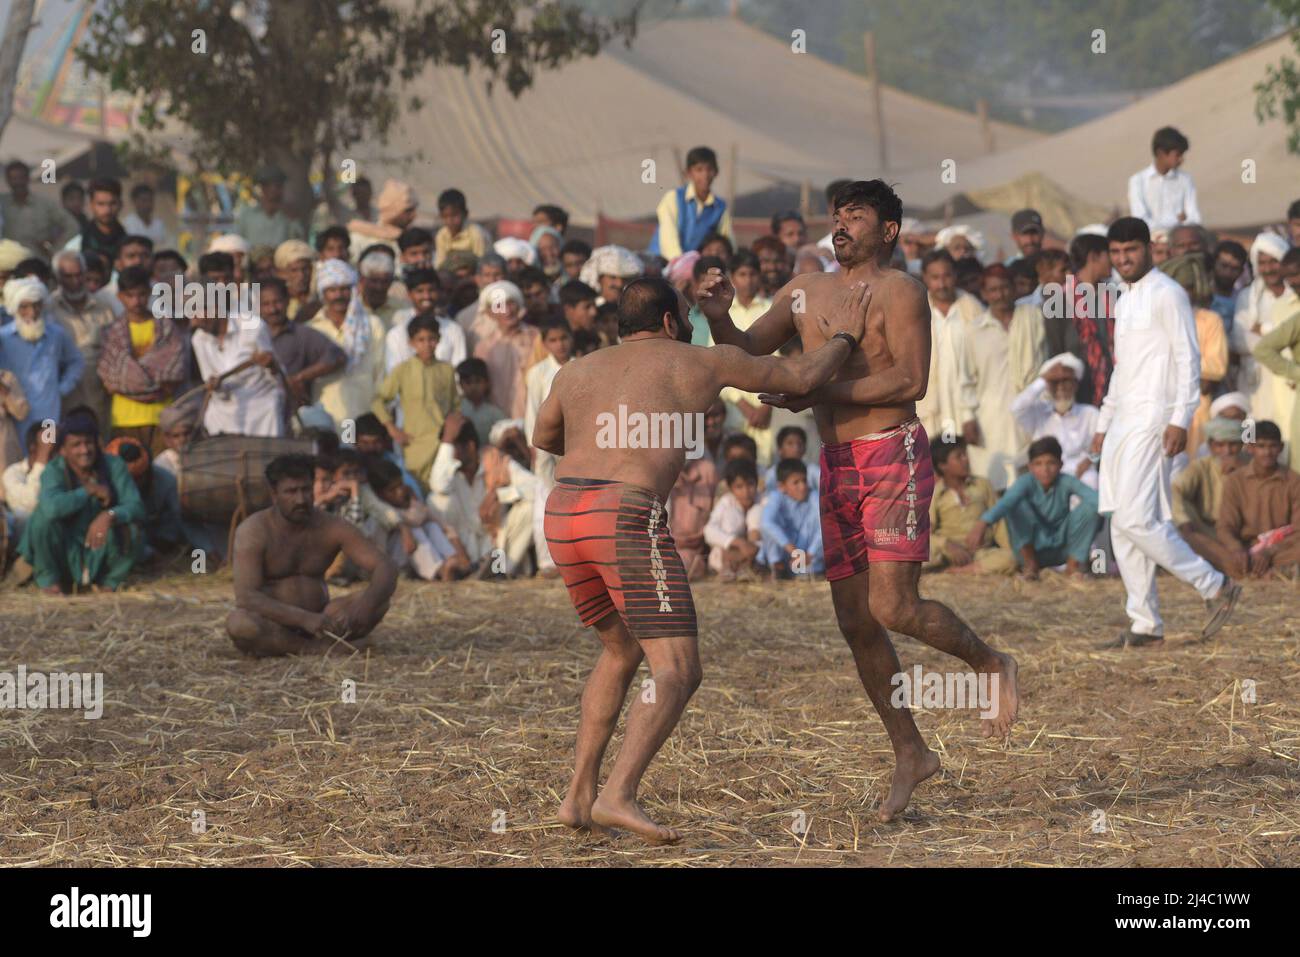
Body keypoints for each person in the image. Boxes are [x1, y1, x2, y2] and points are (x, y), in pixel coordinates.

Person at [705, 179, 1020, 822]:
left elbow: (911, 379)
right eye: (837, 214)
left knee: (892, 604)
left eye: (857, 215)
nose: (842, 224)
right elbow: (744, 349)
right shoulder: (804, 287)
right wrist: (714, 312)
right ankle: (911, 751)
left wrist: (812, 390)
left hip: (891, 452)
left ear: (890, 231)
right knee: (855, 620)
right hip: (835, 463)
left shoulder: (903, 290)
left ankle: (990, 661)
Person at [533, 272, 866, 843]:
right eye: (686, 319)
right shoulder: (698, 362)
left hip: (564, 513)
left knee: (620, 650)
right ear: (668, 323)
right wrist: (846, 339)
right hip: (624, 516)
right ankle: (618, 794)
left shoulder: (576, 369)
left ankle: (578, 796)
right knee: (679, 669)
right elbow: (800, 374)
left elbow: (545, 436)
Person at [1090, 217, 1240, 648]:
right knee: (1120, 521)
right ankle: (1144, 622)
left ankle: (1215, 585)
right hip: (1122, 422)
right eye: (1116, 254)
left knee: (1138, 518)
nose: (1123, 260)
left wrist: (1180, 418)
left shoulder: (1169, 294)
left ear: (1148, 250)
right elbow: (1122, 369)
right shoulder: (1124, 297)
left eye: (1130, 251)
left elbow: (1189, 360)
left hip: (1155, 418)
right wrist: (1103, 423)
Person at [226, 454, 397, 656]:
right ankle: (311, 649)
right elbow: (247, 598)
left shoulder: (332, 526)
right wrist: (303, 618)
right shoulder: (254, 530)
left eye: (306, 489)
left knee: (379, 602)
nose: (300, 499)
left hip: (324, 623)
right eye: (291, 491)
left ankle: (318, 645)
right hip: (274, 625)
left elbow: (384, 566)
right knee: (240, 624)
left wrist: (368, 603)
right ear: (273, 494)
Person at [19, 408, 144, 594]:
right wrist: (88, 491)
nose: (84, 450)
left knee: (131, 529)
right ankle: (49, 581)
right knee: (41, 520)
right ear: (63, 450)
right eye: (76, 445)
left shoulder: (114, 465)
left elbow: (136, 506)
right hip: (65, 547)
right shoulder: (53, 471)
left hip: (100, 546)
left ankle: (109, 582)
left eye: (88, 443)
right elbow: (52, 509)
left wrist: (109, 515)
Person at [961, 264, 1046, 490]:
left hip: (1031, 411)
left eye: (1005, 288)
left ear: (1013, 288)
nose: (1000, 295)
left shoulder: (1033, 318)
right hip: (991, 417)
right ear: (984, 294)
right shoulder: (973, 331)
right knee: (995, 483)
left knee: (1033, 479)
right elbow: (966, 379)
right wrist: (967, 417)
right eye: (993, 290)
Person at [966, 436, 1099, 580]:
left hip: (1063, 547)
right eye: (1038, 464)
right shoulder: (1025, 482)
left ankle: (1072, 566)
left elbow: (1095, 499)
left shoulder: (1066, 481)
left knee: (1090, 508)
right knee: (1016, 504)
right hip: (1033, 548)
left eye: (1051, 463)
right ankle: (1030, 566)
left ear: (1060, 465)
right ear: (1030, 467)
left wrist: (1116, 515)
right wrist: (983, 523)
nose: (1045, 469)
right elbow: (1006, 502)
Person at [429, 411, 535, 576]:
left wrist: (500, 495)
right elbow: (438, 485)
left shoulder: (494, 461)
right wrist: (448, 439)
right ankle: (466, 568)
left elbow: (537, 488)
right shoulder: (448, 471)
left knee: (530, 508)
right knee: (435, 500)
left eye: (453, 447)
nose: (449, 454)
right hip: (463, 546)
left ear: (470, 447)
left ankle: (500, 572)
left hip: (497, 542)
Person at [98, 266, 188, 457]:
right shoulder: (112, 333)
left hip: (161, 419)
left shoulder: (166, 328)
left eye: (141, 295)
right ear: (120, 296)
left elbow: (173, 372)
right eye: (130, 296)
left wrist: (131, 383)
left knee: (163, 473)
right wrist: (149, 386)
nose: (136, 301)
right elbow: (110, 381)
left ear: (149, 294)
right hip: (124, 419)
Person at [371, 314, 459, 487]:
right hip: (414, 444)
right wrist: (392, 429)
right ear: (411, 343)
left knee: (442, 487)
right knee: (418, 489)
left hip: (442, 443)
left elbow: (454, 406)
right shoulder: (402, 370)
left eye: (432, 339)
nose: (427, 345)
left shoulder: (446, 370)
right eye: (421, 340)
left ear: (439, 339)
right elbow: (378, 400)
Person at [189, 286, 285, 438]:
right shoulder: (198, 338)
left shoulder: (253, 326)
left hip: (261, 406)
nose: (193, 321)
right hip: (223, 411)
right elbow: (211, 382)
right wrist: (215, 385)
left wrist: (269, 365)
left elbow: (276, 375)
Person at [1160, 252, 1229, 461]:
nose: (1181, 292)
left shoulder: (1210, 320)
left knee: (1196, 465)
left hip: (1198, 407)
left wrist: (1177, 364)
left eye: (1187, 287)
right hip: (1161, 402)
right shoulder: (1158, 321)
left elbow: (1217, 368)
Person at [0, 277, 84, 444]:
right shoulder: (3, 337)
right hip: (16, 412)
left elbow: (76, 361)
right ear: (15, 308)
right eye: (24, 307)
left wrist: (62, 388)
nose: (31, 312)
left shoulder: (56, 335)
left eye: (36, 305)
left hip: (49, 412)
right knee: (17, 462)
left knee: (48, 453)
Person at [1215, 420, 1300, 577]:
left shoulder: (1294, 481)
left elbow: (1298, 529)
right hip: (1246, 550)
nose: (1267, 452)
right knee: (1202, 544)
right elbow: (1225, 527)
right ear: (1250, 448)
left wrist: (1269, 552)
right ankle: (1270, 572)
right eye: (1261, 446)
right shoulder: (1235, 481)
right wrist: (1237, 549)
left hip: (1280, 549)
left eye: (1272, 446)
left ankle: (1269, 571)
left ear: (1281, 447)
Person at [307, 259, 386, 427]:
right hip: (323, 414)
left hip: (361, 412)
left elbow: (381, 372)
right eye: (332, 290)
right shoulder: (311, 329)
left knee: (352, 450)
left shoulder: (372, 325)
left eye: (344, 289)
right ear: (323, 293)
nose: (338, 296)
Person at [368, 457, 470, 581]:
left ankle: (453, 562)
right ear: (379, 494)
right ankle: (441, 572)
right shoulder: (381, 511)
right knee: (415, 531)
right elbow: (413, 520)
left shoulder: (408, 502)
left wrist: (461, 554)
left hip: (411, 559)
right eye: (392, 490)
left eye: (400, 485)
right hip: (390, 564)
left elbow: (439, 524)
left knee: (431, 526)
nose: (400, 492)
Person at [915, 250, 980, 442]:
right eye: (935, 277)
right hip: (930, 406)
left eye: (947, 276)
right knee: (934, 463)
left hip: (967, 407)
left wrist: (971, 412)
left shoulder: (972, 308)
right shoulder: (917, 310)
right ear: (925, 278)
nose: (941, 284)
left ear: (955, 275)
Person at [1010, 353, 1101, 488]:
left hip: (1080, 474)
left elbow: (1102, 446)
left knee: (1092, 480)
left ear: (1075, 385)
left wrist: (1088, 462)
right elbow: (1016, 408)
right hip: (1045, 476)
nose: (1061, 387)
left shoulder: (1090, 413)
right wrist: (1043, 380)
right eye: (1055, 382)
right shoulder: (1038, 413)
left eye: (1066, 381)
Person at [925, 437, 1014, 574]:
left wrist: (1010, 549)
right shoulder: (935, 493)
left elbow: (998, 521)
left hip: (980, 554)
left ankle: (964, 570)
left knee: (1011, 558)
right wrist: (946, 545)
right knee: (914, 554)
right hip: (948, 553)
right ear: (943, 465)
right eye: (959, 457)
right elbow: (925, 533)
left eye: (965, 454)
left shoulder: (983, 485)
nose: (966, 460)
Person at [49, 250, 115, 431]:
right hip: (62, 399)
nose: (75, 282)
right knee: (60, 444)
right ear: (57, 278)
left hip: (98, 397)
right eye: (68, 276)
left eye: (79, 275)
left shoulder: (104, 308)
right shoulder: (48, 309)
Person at [1173, 416, 1249, 572]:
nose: (1226, 451)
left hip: (1245, 530)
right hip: (1210, 530)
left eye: (1233, 444)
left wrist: (1243, 472)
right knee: (1192, 537)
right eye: (1220, 445)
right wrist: (1183, 520)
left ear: (1241, 445)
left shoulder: (1251, 465)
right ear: (1210, 446)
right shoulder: (1201, 466)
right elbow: (1176, 489)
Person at [1253, 247, 1300, 473]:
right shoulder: (1279, 307)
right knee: (1261, 431)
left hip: (1290, 385)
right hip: (1266, 382)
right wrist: (1294, 372)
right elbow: (1257, 346)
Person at [471, 280, 539, 420]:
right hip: (498, 419)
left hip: (534, 416)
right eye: (500, 305)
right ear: (490, 313)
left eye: (511, 303)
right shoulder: (484, 347)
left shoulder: (536, 337)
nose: (507, 310)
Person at [649, 146, 731, 260]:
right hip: (661, 263)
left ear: (716, 172)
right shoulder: (673, 198)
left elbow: (727, 241)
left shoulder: (720, 207)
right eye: (699, 169)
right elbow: (668, 237)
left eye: (709, 169)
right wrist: (682, 264)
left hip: (693, 268)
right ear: (688, 173)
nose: (705, 175)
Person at [385, 269, 467, 371]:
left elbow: (458, 371)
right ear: (409, 295)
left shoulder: (454, 330)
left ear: (438, 292)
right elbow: (393, 373)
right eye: (420, 291)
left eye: (431, 290)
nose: (426, 296)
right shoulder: (396, 334)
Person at [1128, 126, 1200, 231]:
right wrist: (1176, 220)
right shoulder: (1138, 181)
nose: (1181, 159)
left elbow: (1194, 217)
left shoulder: (1185, 180)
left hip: (1179, 242)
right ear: (1160, 153)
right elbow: (1140, 221)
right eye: (1177, 155)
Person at [759, 458, 823, 577]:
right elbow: (767, 523)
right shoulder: (776, 497)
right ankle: (777, 566)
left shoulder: (813, 497)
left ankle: (797, 571)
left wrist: (810, 554)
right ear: (782, 486)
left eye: (804, 481)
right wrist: (793, 551)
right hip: (785, 552)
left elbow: (823, 527)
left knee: (810, 569)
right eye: (796, 482)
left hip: (807, 555)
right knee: (770, 528)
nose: (803, 486)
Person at [1, 160, 77, 256]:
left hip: (38, 261)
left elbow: (72, 226)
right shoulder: (2, 203)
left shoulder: (44, 203)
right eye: (14, 178)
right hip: (7, 262)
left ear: (28, 178)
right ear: (7, 180)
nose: (18, 182)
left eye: (21, 178)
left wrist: (55, 247)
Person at [703, 457, 762, 580]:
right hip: (727, 555)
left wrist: (752, 545)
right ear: (730, 488)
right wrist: (739, 543)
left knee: (756, 512)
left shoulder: (762, 500)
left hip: (757, 552)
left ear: (756, 483)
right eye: (739, 487)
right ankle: (730, 568)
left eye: (750, 484)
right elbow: (709, 530)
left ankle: (747, 567)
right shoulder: (727, 502)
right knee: (731, 515)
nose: (746, 492)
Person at [234, 166, 305, 249]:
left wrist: (293, 218)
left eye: (280, 186)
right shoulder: (247, 214)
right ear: (263, 188)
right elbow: (238, 241)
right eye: (273, 186)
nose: (277, 191)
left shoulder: (288, 215)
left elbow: (298, 242)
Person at [433, 188, 490, 268]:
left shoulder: (475, 233)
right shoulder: (441, 235)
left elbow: (482, 261)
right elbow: (440, 264)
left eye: (454, 215)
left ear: (465, 214)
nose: (450, 221)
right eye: (445, 216)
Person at [122, 183, 169, 249]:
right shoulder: (127, 223)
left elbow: (164, 245)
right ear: (134, 201)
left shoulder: (159, 224)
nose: (148, 204)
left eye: (150, 200)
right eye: (144, 200)